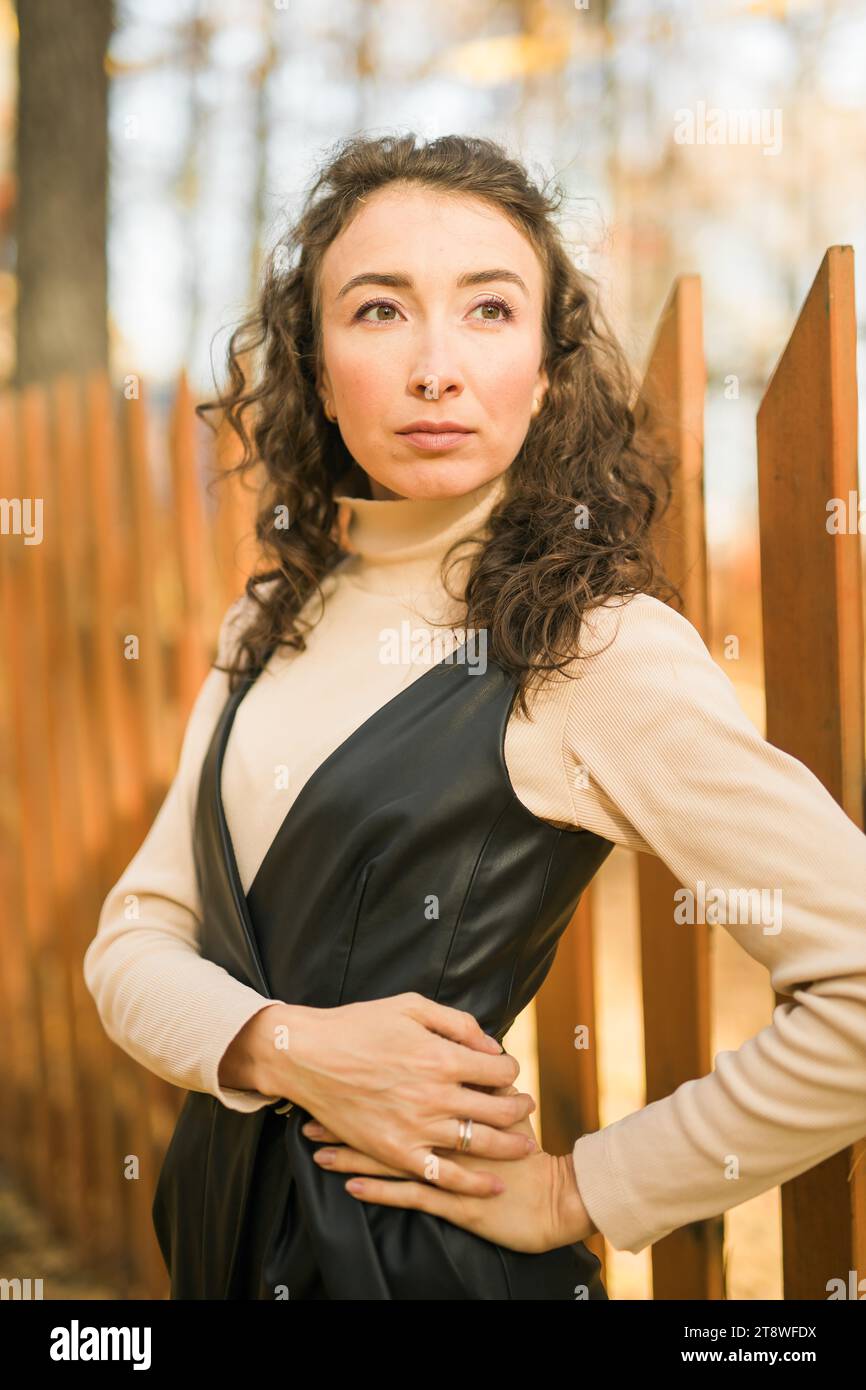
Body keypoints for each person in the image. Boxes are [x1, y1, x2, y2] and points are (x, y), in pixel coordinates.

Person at [83, 132, 866, 1300]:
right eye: (380, 310)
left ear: (545, 371)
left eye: (488, 311)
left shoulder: (589, 645)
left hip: (426, 1270)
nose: (434, 366)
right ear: (312, 360)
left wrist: (581, 1188)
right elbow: (133, 943)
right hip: (220, 1246)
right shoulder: (272, 621)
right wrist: (286, 1045)